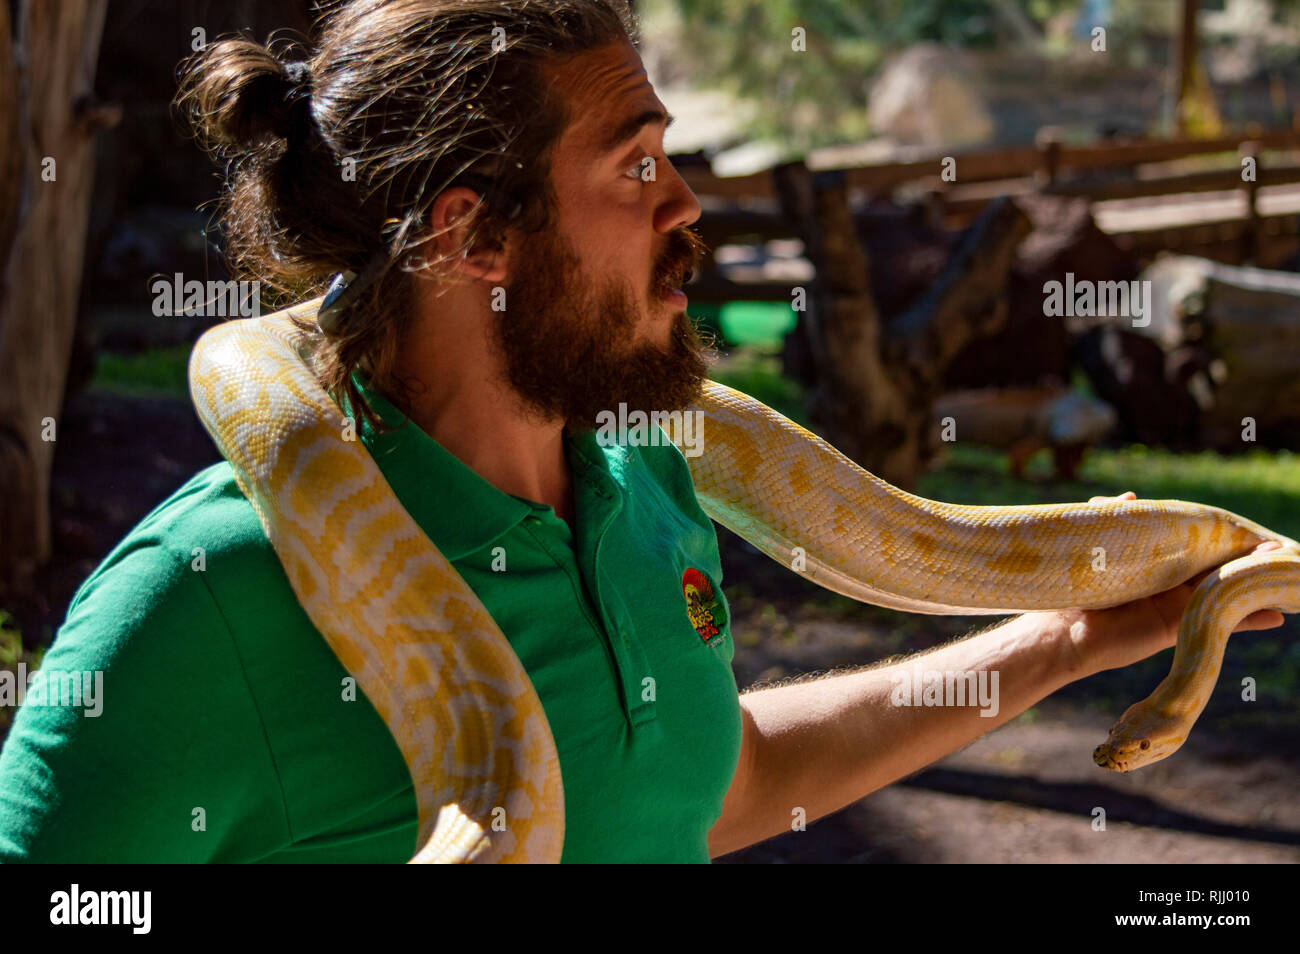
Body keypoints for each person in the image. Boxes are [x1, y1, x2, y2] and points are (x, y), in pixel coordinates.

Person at [0, 0, 1284, 863]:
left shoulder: (646, 475)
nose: (687, 207)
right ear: (472, 238)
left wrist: (1061, 642)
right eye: (634, 168)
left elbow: (699, 793)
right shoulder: (195, 601)